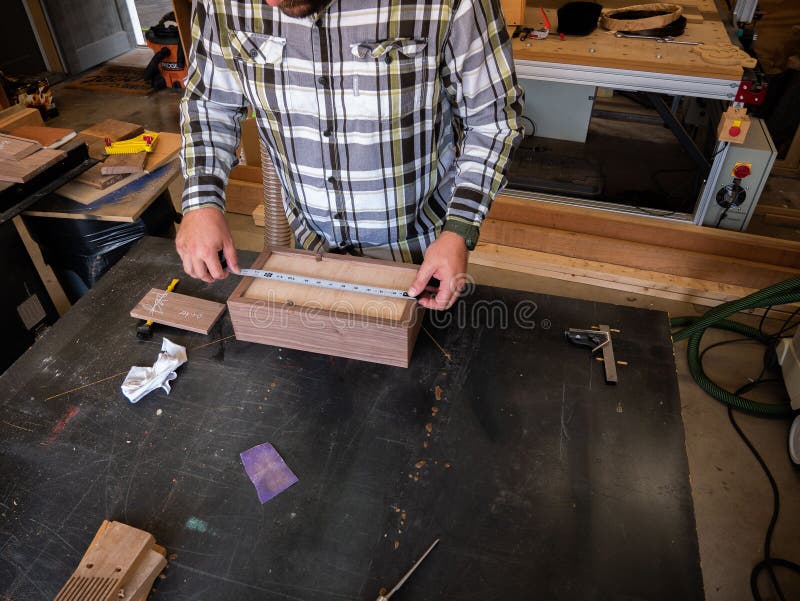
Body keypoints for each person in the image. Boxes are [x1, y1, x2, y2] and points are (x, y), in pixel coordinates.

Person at [176, 0, 523, 310]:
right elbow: (210, 107)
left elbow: (493, 120)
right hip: (310, 243)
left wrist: (459, 230)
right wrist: (201, 202)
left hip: (422, 251)